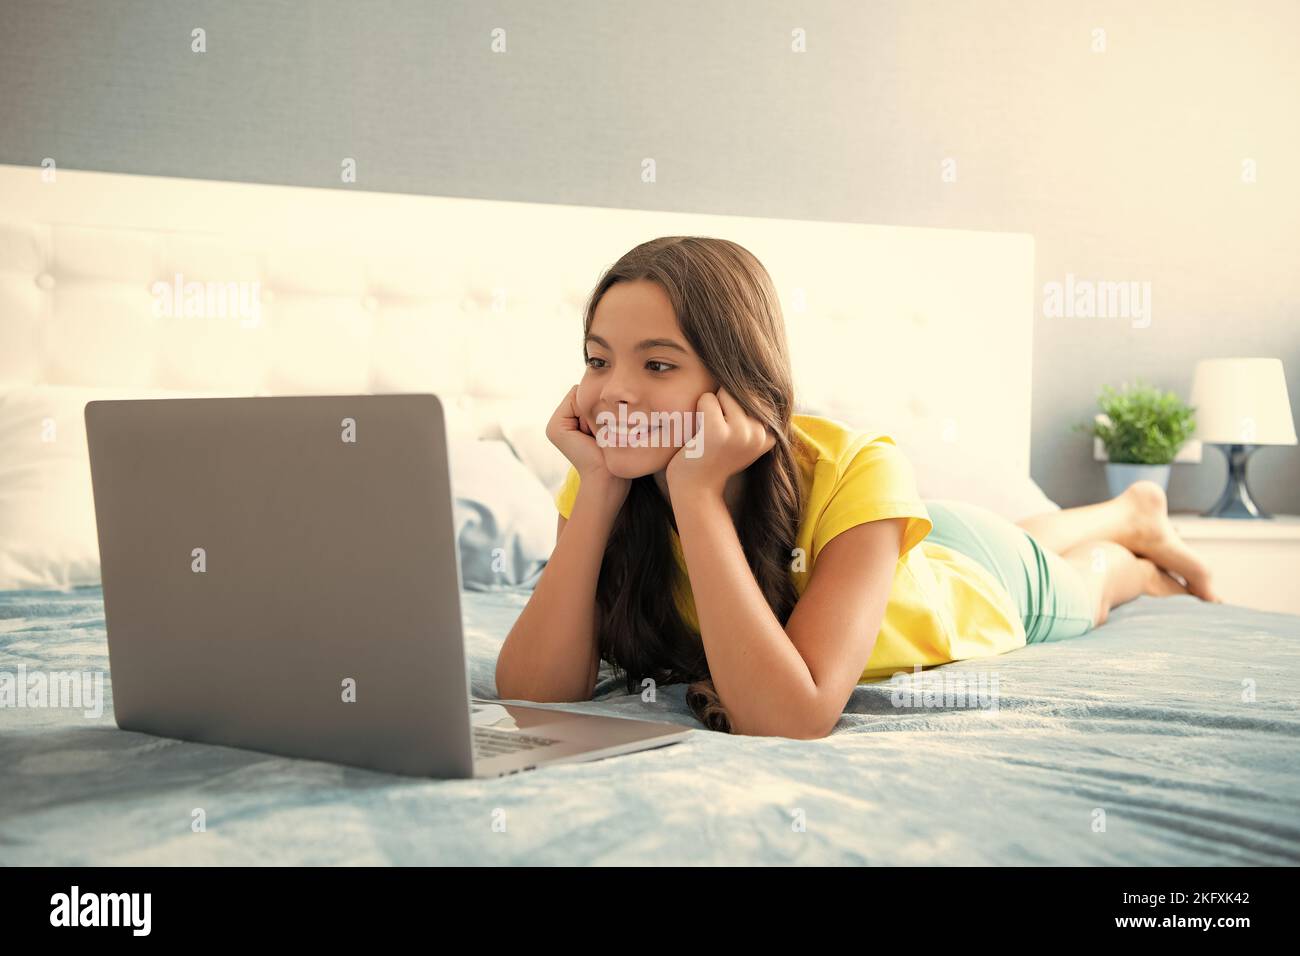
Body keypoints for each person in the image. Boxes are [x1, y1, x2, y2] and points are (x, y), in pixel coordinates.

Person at [494, 236, 1221, 738]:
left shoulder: (860, 465)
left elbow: (791, 716)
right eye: (596, 361)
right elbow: (531, 693)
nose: (613, 393)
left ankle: (1132, 533)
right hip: (888, 542)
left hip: (975, 580)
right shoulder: (606, 480)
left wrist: (697, 493)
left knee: (1082, 582)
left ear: (738, 380)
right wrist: (593, 492)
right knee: (1021, 532)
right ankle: (1128, 510)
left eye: (658, 366)